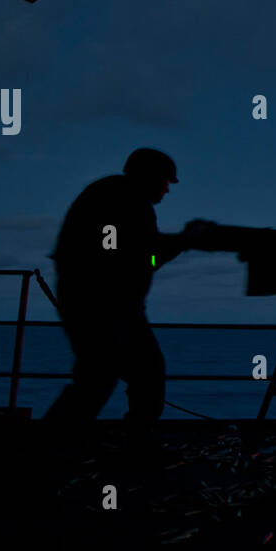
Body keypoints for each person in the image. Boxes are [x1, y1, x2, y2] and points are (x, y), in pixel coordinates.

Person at [45, 149, 211, 433]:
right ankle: (52, 450)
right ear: (149, 177)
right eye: (165, 182)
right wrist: (183, 241)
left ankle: (53, 448)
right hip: (106, 307)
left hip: (104, 305)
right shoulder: (126, 201)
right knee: (123, 375)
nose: (167, 189)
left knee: (107, 376)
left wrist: (177, 244)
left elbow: (147, 259)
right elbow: (142, 257)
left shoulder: (113, 195)